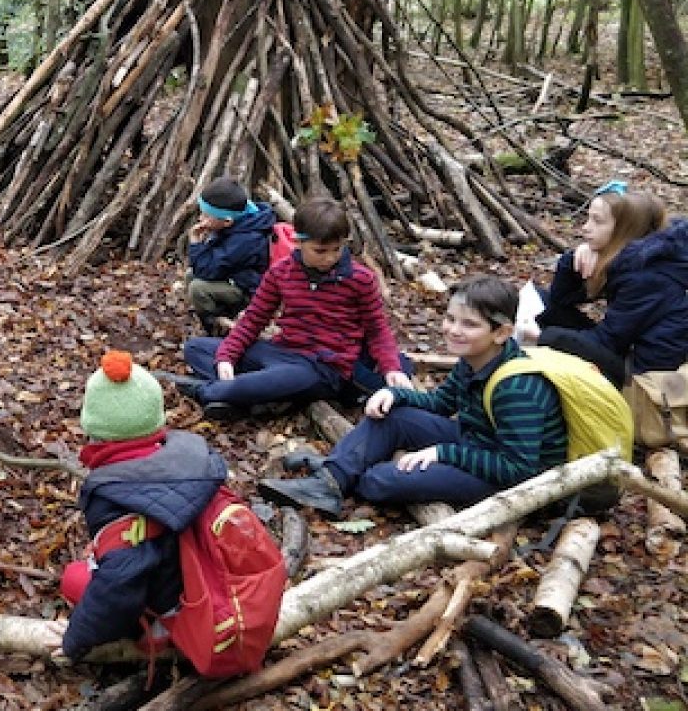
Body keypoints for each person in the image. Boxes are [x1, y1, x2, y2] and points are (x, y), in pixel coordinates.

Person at [259, 275, 567, 517]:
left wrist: (443, 454)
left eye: (469, 324)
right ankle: (330, 479)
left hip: (506, 474)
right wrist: (392, 393)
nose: (454, 330)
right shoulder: (474, 359)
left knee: (381, 480)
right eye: (450, 319)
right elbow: (441, 404)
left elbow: (519, 468)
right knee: (394, 417)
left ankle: (343, 473)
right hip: (477, 441)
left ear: (501, 333)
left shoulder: (518, 387)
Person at [173, 196, 412, 418]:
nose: (329, 258)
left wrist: (392, 368)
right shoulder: (281, 272)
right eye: (320, 251)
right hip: (283, 351)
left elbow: (377, 330)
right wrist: (227, 356)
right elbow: (254, 319)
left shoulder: (361, 279)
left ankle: (210, 392)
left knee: (271, 381)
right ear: (298, 242)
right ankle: (254, 397)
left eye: (336, 250)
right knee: (197, 349)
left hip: (323, 367)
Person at [58, 351, 227, 660]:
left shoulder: (116, 493)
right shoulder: (190, 459)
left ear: (95, 431)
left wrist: (75, 639)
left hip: (171, 602)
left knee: (74, 579)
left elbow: (120, 584)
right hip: (198, 580)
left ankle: (161, 630)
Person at [526, 186, 688, 389]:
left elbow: (607, 342)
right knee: (542, 303)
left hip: (642, 372)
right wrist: (573, 258)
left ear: (624, 229)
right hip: (624, 345)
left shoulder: (647, 277)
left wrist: (544, 337)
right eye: (588, 218)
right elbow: (561, 298)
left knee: (551, 335)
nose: (585, 227)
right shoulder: (632, 257)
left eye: (598, 221)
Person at [184, 176, 276, 333]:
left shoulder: (245, 240)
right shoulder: (238, 225)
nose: (201, 219)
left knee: (197, 288)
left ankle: (218, 327)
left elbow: (207, 270)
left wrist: (195, 243)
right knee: (190, 275)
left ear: (227, 221)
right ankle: (220, 315)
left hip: (247, 291)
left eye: (206, 216)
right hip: (232, 278)